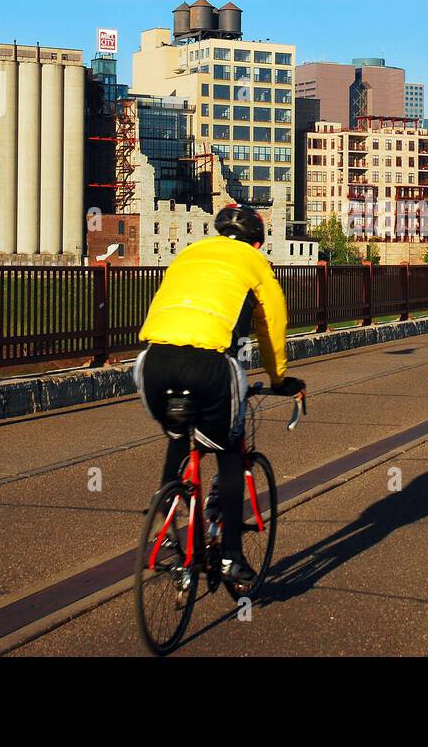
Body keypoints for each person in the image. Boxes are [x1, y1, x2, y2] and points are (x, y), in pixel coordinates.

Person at [134, 202, 305, 591]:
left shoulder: (189, 254)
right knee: (229, 454)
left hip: (153, 361)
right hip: (208, 363)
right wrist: (278, 378)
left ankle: (167, 506)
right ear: (257, 243)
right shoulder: (253, 262)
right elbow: (271, 321)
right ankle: (230, 556)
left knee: (181, 434)